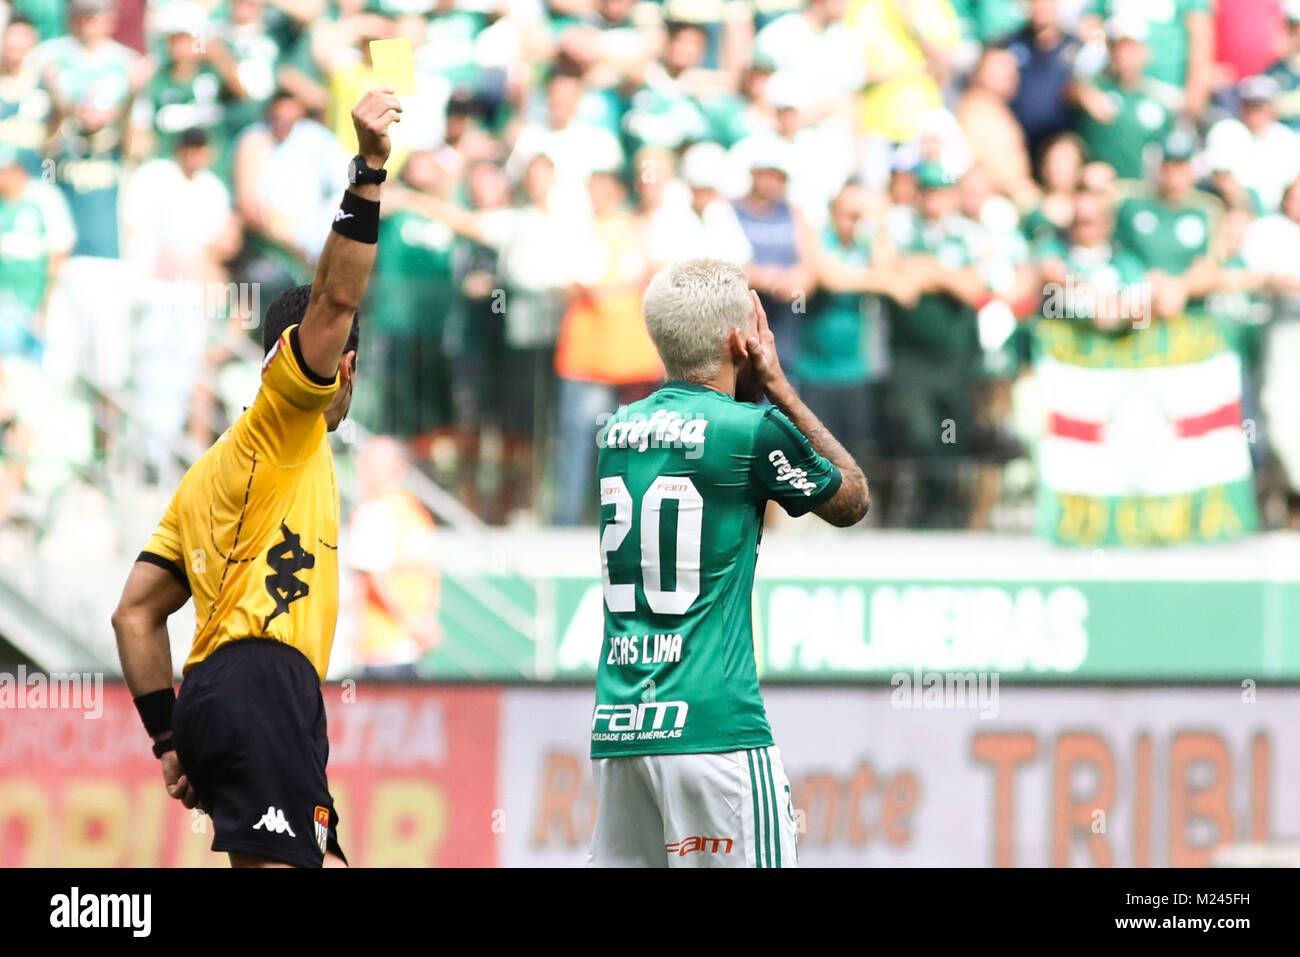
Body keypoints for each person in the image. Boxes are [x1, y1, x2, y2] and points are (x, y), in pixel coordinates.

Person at [110, 87, 401, 868]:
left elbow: (135, 614)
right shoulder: (288, 418)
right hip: (262, 680)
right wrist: (369, 168)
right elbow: (339, 293)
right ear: (340, 367)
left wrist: (171, 739)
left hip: (219, 693)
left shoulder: (208, 470)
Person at [587, 259, 869, 868]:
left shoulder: (617, 431)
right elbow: (851, 499)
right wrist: (778, 384)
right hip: (717, 731)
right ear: (744, 339)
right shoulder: (751, 428)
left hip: (621, 730)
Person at [348, 436, 440, 680]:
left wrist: (413, 624)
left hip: (381, 647)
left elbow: (374, 578)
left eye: (369, 463)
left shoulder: (373, 511)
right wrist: (422, 625)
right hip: (406, 646)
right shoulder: (414, 511)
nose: (361, 469)